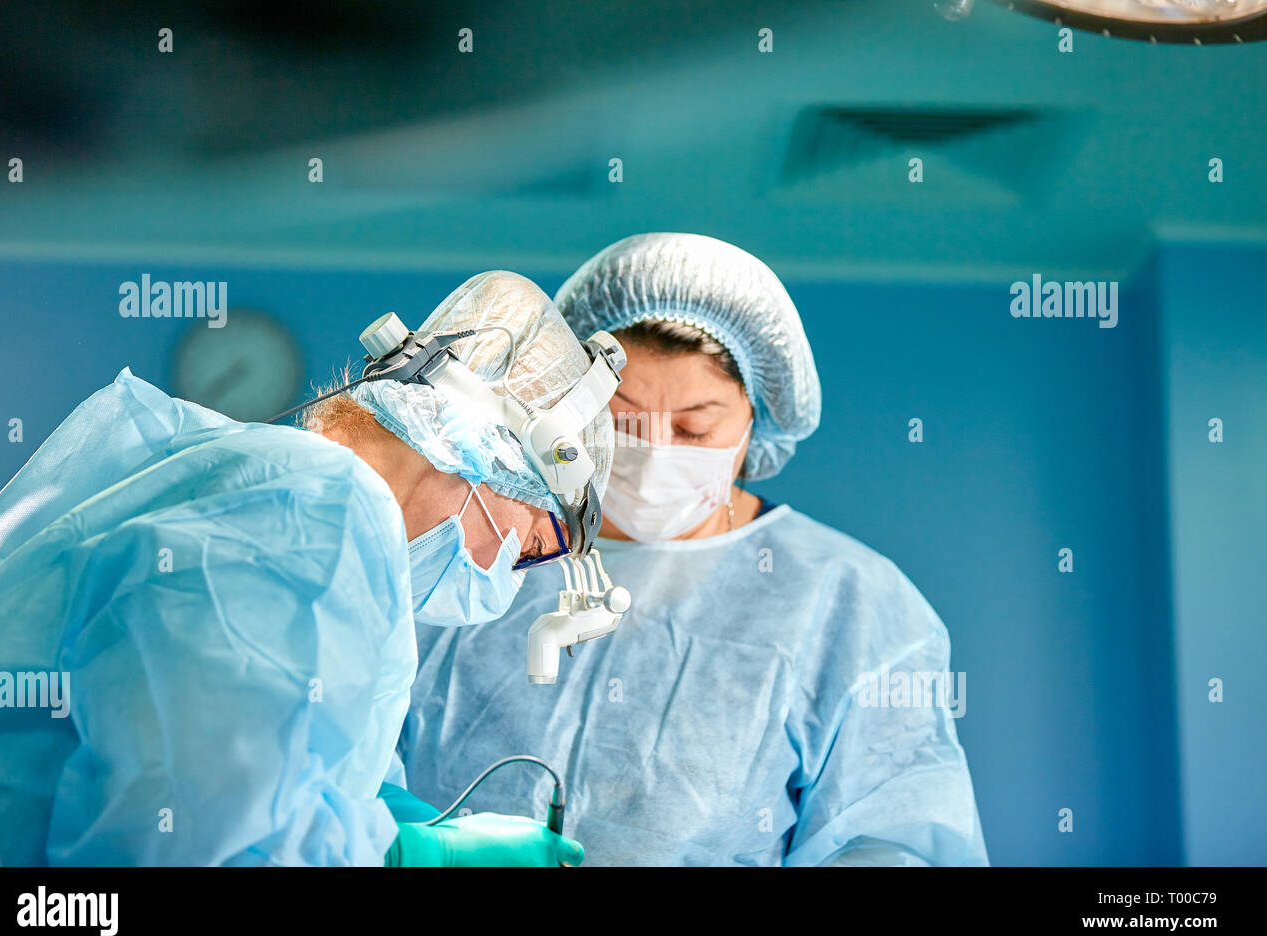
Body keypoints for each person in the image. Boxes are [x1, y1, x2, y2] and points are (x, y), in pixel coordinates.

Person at [0, 271, 609, 866]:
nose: (511, 572)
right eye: (532, 547)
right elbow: (185, 832)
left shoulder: (287, 504)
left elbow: (271, 764)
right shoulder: (316, 510)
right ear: (485, 453)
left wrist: (387, 817)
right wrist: (411, 855)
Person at [401, 234, 989, 866]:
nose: (655, 449)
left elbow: (894, 843)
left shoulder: (846, 598)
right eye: (622, 421)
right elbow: (351, 773)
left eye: (694, 427)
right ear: (567, 407)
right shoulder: (478, 545)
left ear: (756, 423)